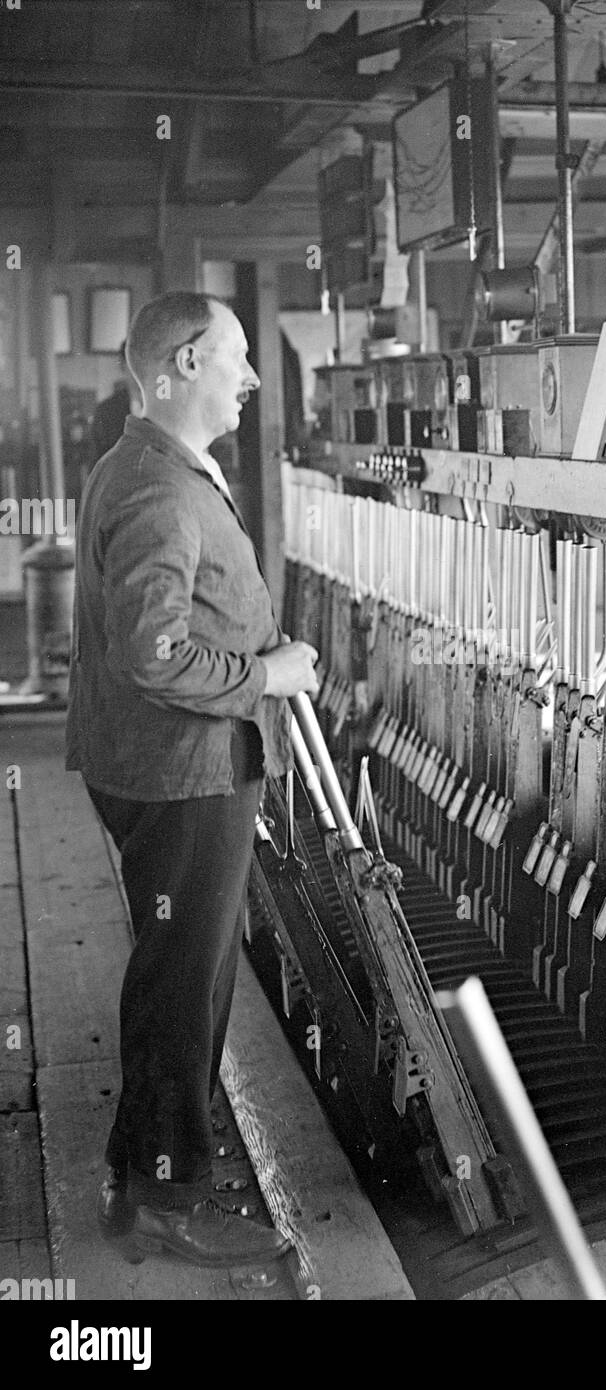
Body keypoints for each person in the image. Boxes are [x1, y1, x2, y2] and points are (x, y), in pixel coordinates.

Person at [66, 291, 319, 1268]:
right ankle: (172, 1199)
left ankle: (140, 1176)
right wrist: (269, 674)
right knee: (186, 989)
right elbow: (152, 649)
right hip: (181, 775)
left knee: (176, 976)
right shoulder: (158, 489)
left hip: (170, 768)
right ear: (177, 368)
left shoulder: (143, 463)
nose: (250, 378)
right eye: (234, 358)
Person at [90, 341, 142, 460]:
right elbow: (97, 465)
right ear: (123, 365)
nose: (141, 373)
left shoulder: (166, 406)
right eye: (135, 365)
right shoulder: (106, 412)